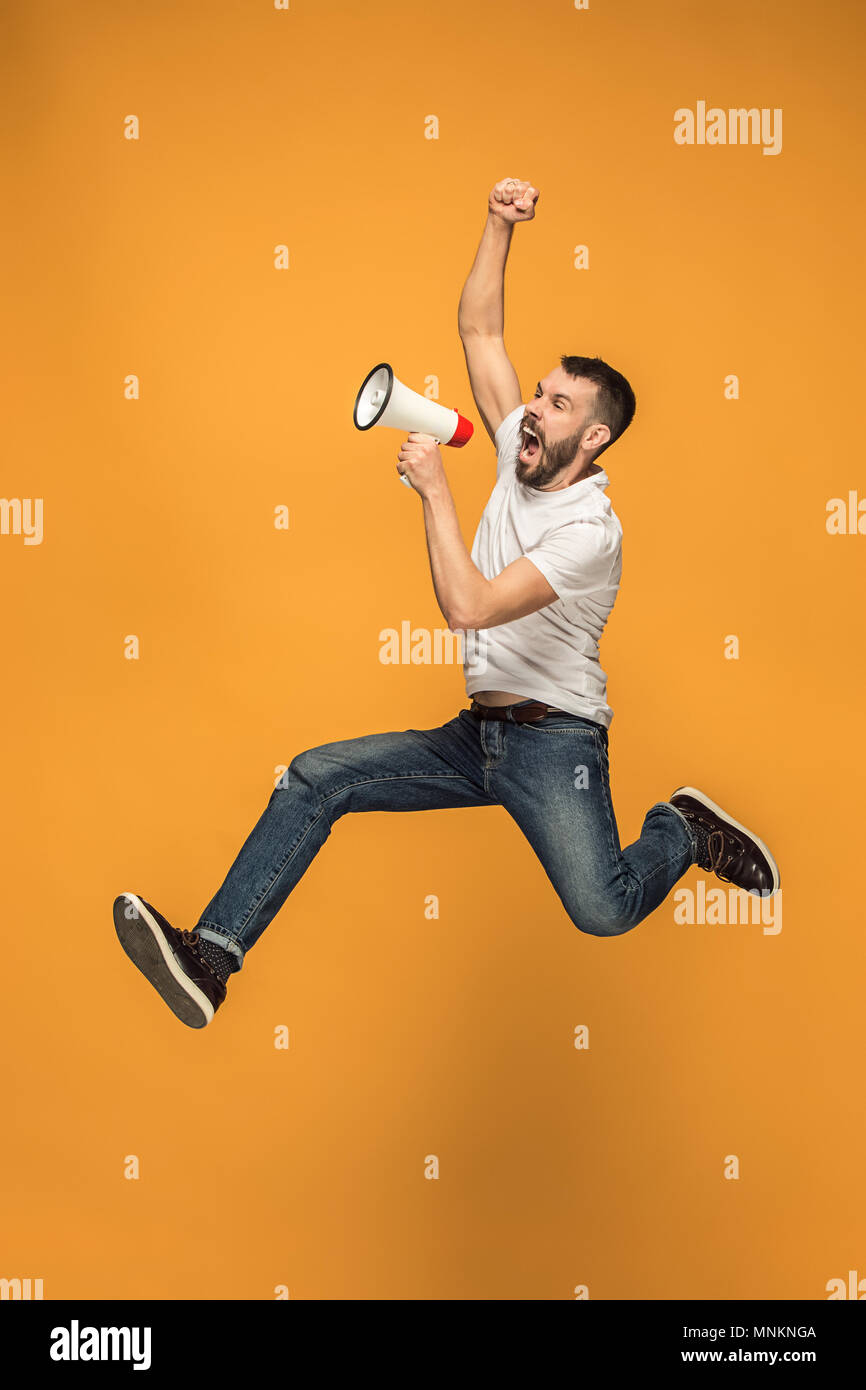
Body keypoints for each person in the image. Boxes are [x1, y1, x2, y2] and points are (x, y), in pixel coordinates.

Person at [113, 177, 780, 1029]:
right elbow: (479, 327)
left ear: (596, 438)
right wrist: (499, 224)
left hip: (555, 744)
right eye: (537, 395)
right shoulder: (518, 448)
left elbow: (468, 607)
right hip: (478, 736)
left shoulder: (590, 531)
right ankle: (213, 956)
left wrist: (435, 492)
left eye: (557, 406)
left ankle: (683, 829)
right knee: (317, 778)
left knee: (602, 909)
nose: (532, 412)